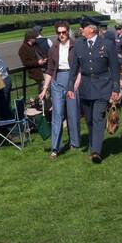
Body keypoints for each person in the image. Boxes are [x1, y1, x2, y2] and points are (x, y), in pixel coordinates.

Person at [74, 19, 121, 163]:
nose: (81, 30)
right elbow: (74, 67)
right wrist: (71, 86)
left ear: (92, 30)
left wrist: (116, 88)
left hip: (102, 87)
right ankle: (93, 143)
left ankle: (96, 151)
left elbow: (114, 68)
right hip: (86, 88)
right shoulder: (79, 45)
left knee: (98, 118)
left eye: (83, 27)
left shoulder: (107, 44)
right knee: (89, 120)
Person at [40, 21, 81, 158]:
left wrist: (77, 80)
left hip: (72, 79)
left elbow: (81, 66)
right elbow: (50, 69)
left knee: (73, 113)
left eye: (64, 32)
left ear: (68, 32)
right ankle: (55, 148)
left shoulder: (76, 45)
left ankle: (74, 143)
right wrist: (45, 88)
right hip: (57, 81)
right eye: (59, 32)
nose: (61, 35)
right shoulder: (53, 48)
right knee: (57, 115)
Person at [18, 29, 47, 96]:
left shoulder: (36, 44)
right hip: (37, 72)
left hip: (45, 68)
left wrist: (45, 58)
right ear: (30, 39)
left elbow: (41, 53)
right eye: (34, 37)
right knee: (45, 89)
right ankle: (45, 105)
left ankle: (45, 104)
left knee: (47, 88)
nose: (36, 38)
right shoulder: (23, 49)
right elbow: (25, 63)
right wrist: (37, 63)